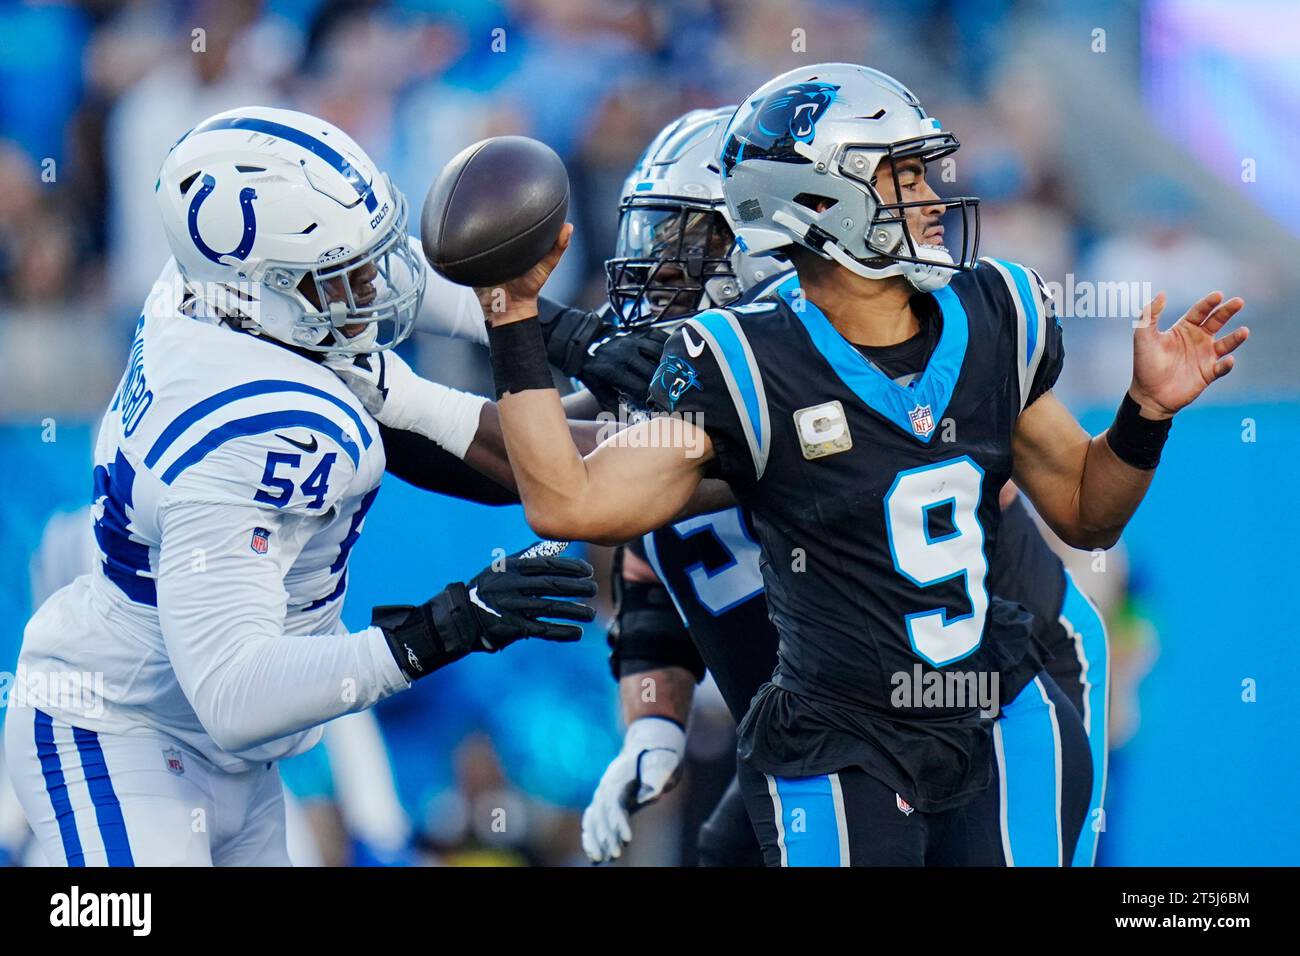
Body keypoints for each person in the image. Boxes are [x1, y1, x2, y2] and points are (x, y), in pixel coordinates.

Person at [471, 64, 1247, 865]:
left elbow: (1089, 513)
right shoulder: (743, 359)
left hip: (997, 699)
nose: (933, 196)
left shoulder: (991, 312)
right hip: (837, 734)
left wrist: (1146, 414)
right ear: (818, 204)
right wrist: (511, 317)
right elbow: (569, 504)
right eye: (901, 175)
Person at [3, 107, 597, 867]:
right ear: (271, 290)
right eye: (345, 272)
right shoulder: (257, 427)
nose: (376, 284)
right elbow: (236, 695)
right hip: (125, 740)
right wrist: (443, 629)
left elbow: (435, 369)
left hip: (219, 757)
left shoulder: (217, 295)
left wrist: (568, 334)